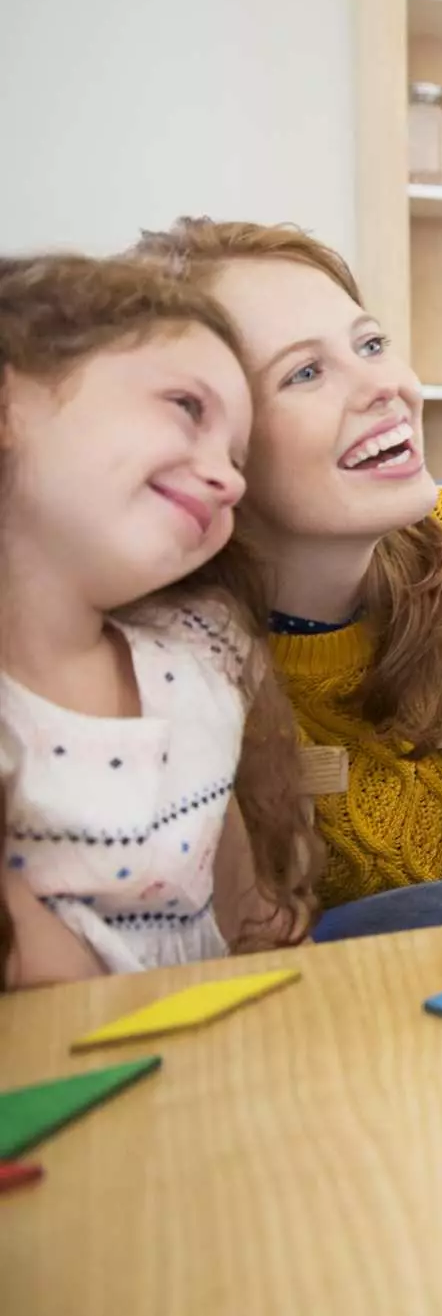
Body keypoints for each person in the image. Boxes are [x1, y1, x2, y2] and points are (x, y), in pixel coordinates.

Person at [132, 221, 442, 939]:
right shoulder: (156, 641)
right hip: (262, 978)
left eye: (371, 344)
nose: (386, 386)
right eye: (306, 373)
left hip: (437, 974)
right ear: (204, 454)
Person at [0, 255, 318, 985]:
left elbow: (253, 919)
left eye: (238, 458)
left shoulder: (198, 663)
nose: (230, 477)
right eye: (186, 407)